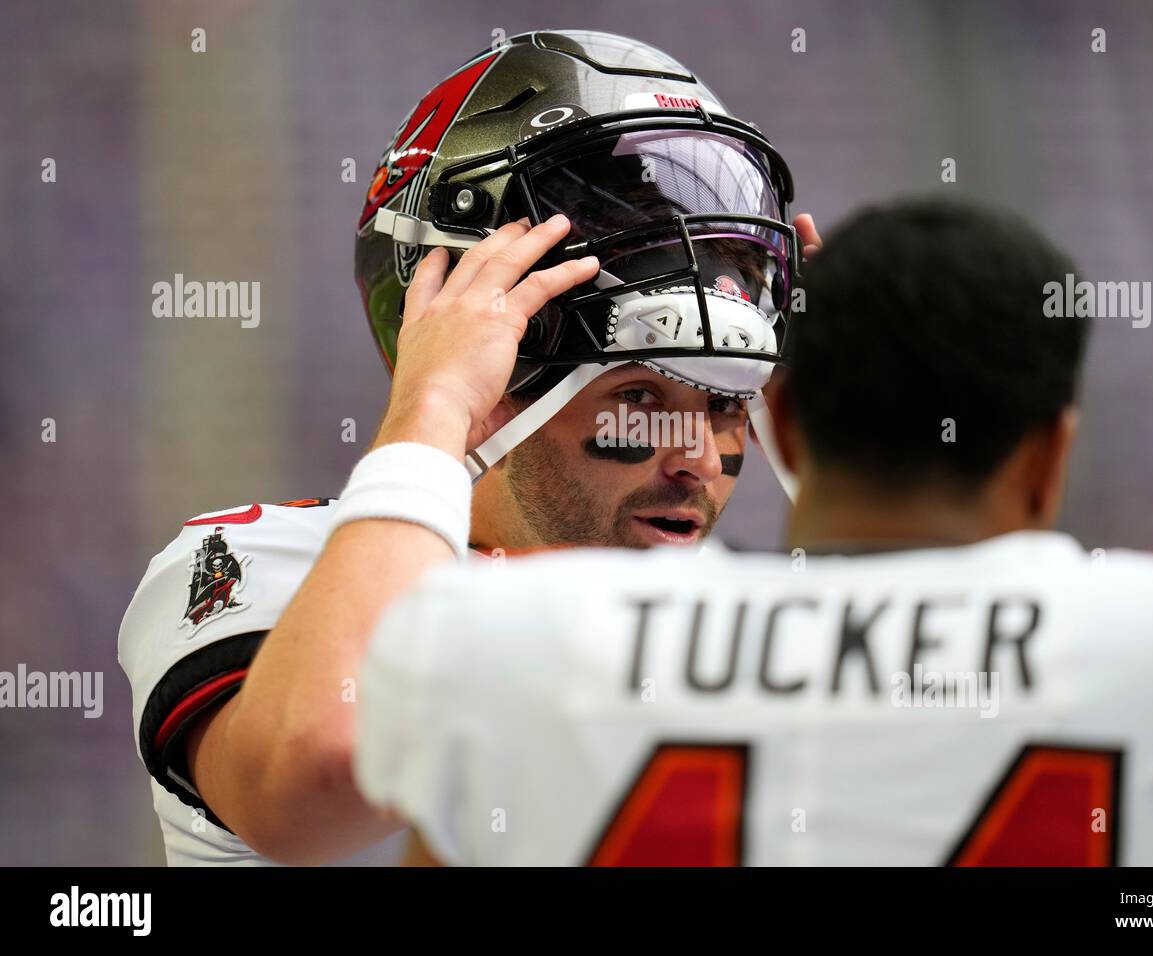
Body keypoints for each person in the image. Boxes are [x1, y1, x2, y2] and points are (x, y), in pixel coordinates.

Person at [354, 197, 1153, 866]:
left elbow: (312, 785)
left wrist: (426, 415)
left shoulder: (509, 632)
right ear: (1051, 454)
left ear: (783, 419)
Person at [117, 29, 822, 866]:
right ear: (496, 377)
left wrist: (854, 454)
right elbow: (309, 786)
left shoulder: (735, 609)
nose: (697, 457)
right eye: (640, 398)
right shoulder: (266, 560)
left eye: (730, 404)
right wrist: (434, 403)